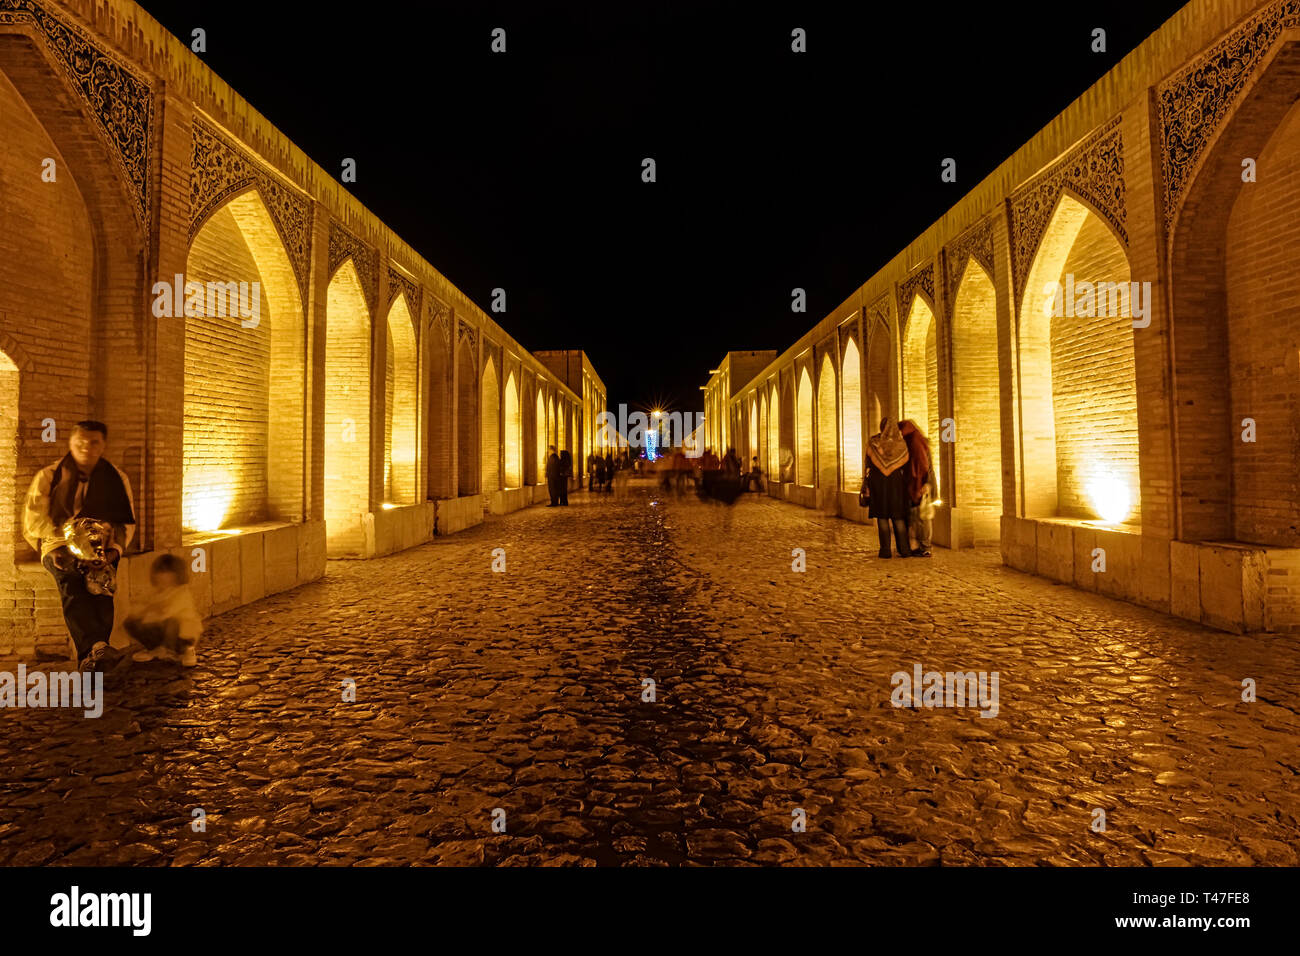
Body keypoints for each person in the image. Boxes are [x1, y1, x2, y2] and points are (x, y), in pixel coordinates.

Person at [22, 420, 136, 672]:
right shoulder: (49, 477)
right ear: (71, 443)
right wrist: (59, 547)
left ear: (103, 445)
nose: (86, 448)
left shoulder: (116, 479)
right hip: (60, 544)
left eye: (94, 442)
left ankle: (94, 653)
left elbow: (124, 521)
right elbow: (35, 520)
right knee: (72, 580)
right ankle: (97, 649)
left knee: (102, 586)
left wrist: (114, 550)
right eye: (80, 442)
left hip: (101, 546)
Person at [128, 554, 202, 667]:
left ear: (177, 575)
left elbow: (167, 613)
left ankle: (185, 651)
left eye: (166, 572)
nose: (161, 576)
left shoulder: (182, 593)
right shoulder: (157, 592)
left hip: (183, 635)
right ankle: (157, 649)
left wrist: (150, 612)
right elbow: (145, 607)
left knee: (172, 623)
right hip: (163, 629)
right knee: (132, 622)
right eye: (159, 572)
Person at [860, 417, 911, 559]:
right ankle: (904, 550)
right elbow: (906, 465)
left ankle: (885, 551)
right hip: (896, 484)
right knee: (898, 516)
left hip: (878, 483)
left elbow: (868, 463)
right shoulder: (901, 445)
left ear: (881, 427)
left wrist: (866, 483)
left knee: (882, 516)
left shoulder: (874, 442)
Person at [899, 419, 936, 558]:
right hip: (920, 482)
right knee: (918, 515)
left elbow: (921, 465)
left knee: (922, 516)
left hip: (920, 483)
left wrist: (924, 484)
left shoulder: (914, 441)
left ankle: (925, 547)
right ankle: (921, 546)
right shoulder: (918, 439)